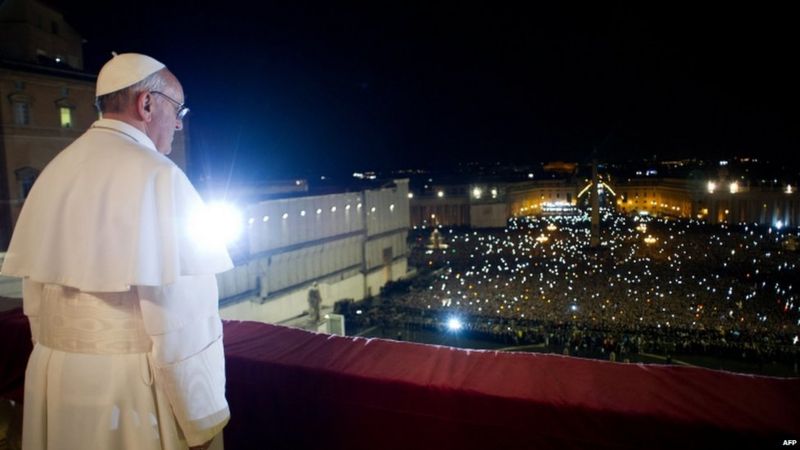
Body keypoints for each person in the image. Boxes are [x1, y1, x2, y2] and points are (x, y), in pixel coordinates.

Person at [1, 53, 233, 450]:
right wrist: (201, 417)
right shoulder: (161, 177)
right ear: (146, 104)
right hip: (129, 393)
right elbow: (184, 323)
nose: (178, 122)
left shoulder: (55, 169)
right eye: (177, 109)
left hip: (54, 379)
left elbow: (36, 305)